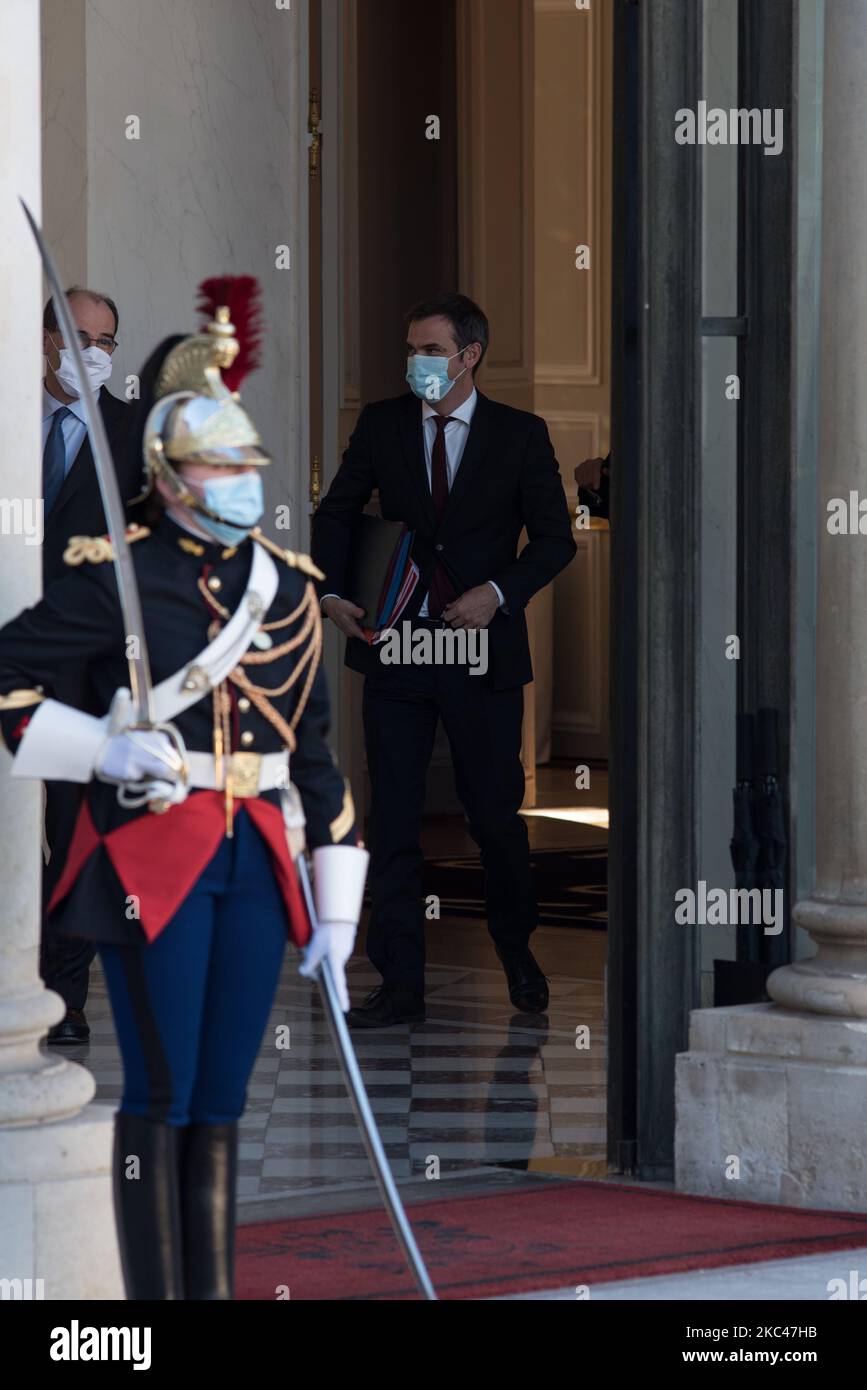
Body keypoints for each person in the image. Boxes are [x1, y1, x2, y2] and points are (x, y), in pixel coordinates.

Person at [0, 279, 368, 1300]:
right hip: (150, 857)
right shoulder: (120, 573)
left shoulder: (287, 588)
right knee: (159, 1093)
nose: (239, 478)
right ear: (167, 474)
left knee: (222, 1096)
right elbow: (9, 677)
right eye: (217, 462)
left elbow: (318, 758)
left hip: (256, 859)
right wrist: (99, 750)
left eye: (246, 461)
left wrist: (337, 907)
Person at [313, 293, 576, 1029]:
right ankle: (399, 983)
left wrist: (498, 592)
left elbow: (554, 540)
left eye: (430, 351)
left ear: (469, 356)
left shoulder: (519, 436)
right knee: (391, 817)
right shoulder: (382, 424)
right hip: (395, 646)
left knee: (493, 815)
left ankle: (517, 954)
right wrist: (332, 591)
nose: (416, 364)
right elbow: (336, 511)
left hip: (480, 651)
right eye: (411, 350)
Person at [41, 287, 136, 1045]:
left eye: (104, 340)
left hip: (86, 664)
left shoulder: (133, 436)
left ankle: (61, 994)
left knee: (72, 826)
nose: (90, 351)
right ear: (44, 339)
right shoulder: (6, 420)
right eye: (75, 334)